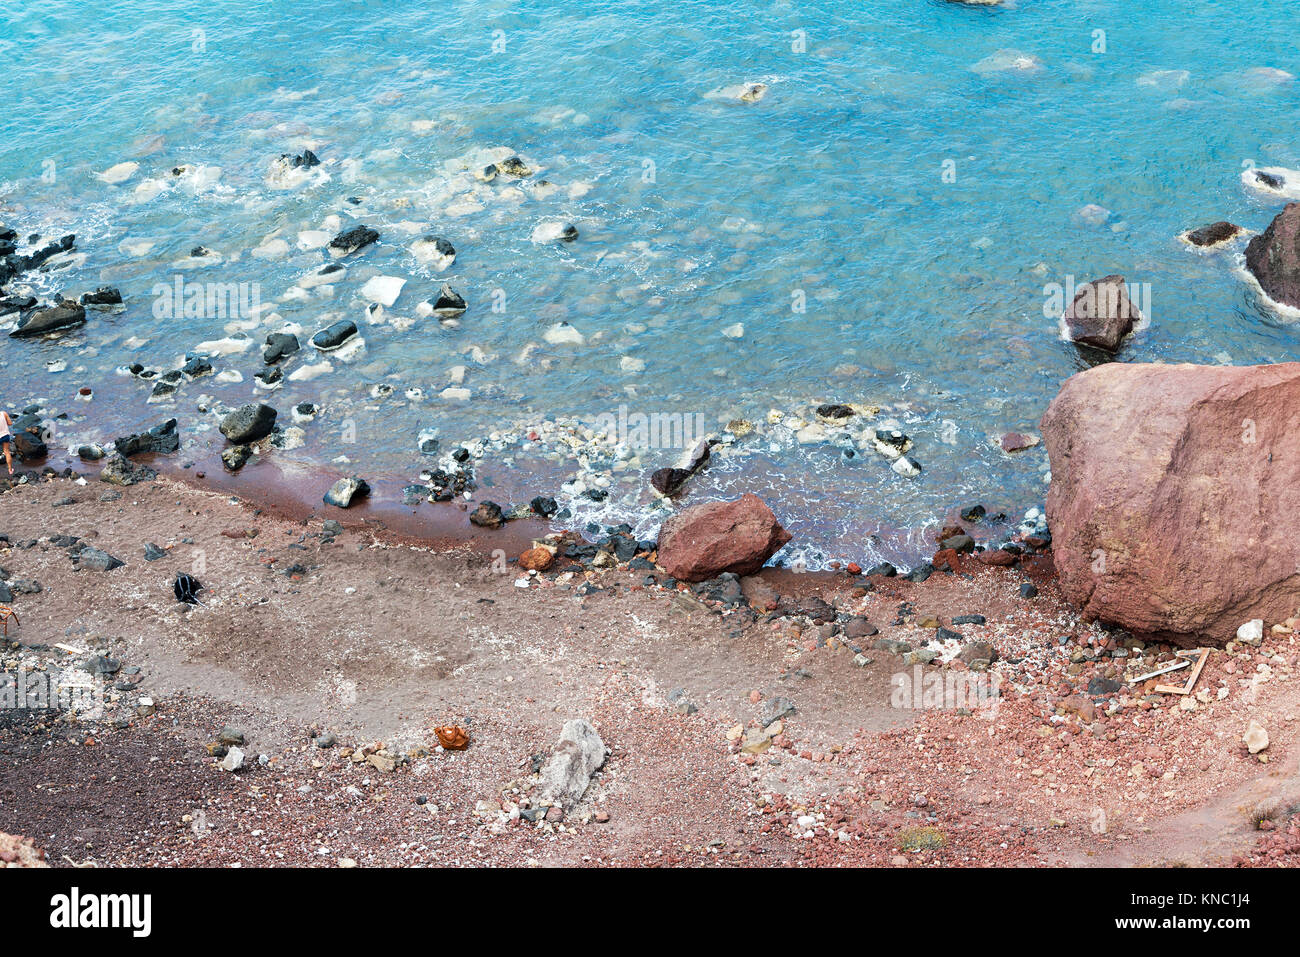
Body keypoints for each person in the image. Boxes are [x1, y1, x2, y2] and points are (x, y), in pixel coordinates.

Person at [0, 408, 13, 475]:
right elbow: (10, 423)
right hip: (5, 435)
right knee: (7, 452)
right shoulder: (4, 413)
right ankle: (10, 470)